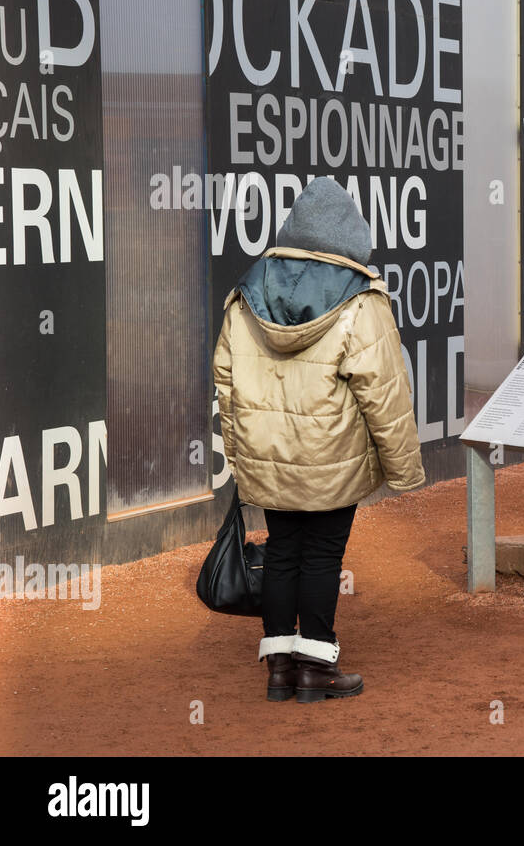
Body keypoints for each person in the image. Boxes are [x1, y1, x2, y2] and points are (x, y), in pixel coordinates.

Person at [212, 177, 424, 703]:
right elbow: (386, 394)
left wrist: (241, 460)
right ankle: (317, 666)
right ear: (352, 237)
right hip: (333, 459)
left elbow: (226, 384)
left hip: (270, 460)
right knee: (323, 555)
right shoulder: (362, 300)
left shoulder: (244, 295)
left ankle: (279, 669)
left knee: (283, 551)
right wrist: (405, 471)